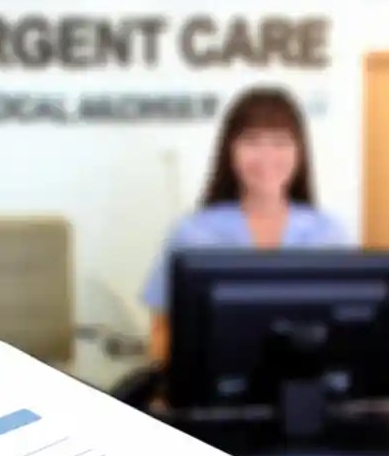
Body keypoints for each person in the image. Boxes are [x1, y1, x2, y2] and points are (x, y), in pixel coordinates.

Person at [142, 86, 349, 361]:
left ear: (299, 152)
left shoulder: (329, 233)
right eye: (251, 141)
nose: (266, 156)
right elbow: (162, 330)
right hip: (211, 394)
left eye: (280, 141)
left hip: (307, 386)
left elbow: (347, 328)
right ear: (230, 150)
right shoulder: (192, 232)